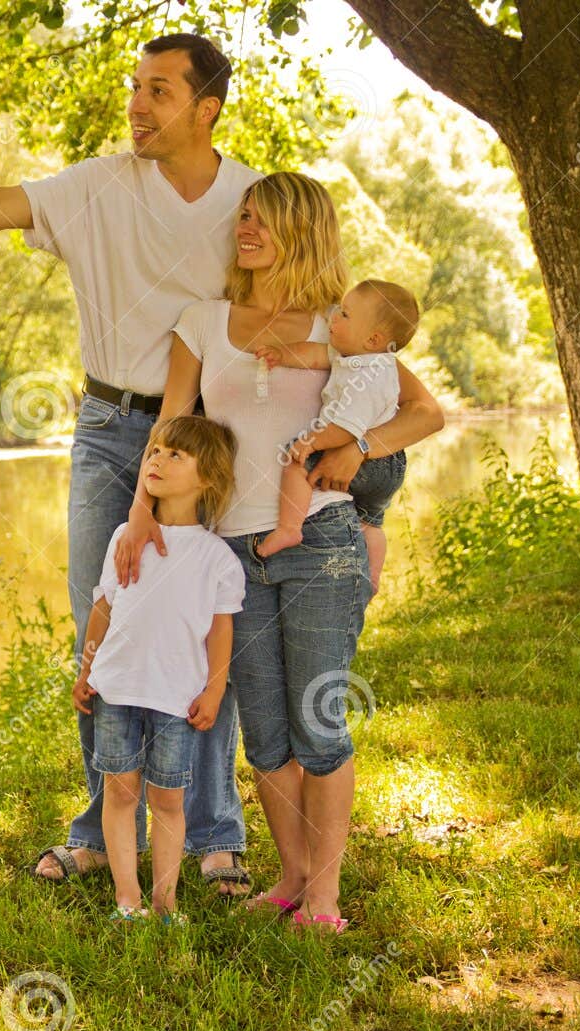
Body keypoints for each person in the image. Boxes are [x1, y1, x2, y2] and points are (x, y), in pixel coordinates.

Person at [0, 33, 442, 895]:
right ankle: (102, 820)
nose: (137, 105)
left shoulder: (249, 202)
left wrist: (366, 486)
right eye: (134, 87)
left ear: (205, 107)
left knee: (209, 620)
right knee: (105, 619)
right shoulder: (97, 186)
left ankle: (216, 836)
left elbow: (356, 357)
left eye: (157, 90)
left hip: (216, 441)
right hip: (116, 426)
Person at [117, 172, 444, 932]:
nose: (246, 229)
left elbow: (425, 411)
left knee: (317, 722)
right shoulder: (201, 321)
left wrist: (362, 448)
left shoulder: (344, 327)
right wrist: (141, 520)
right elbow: (170, 433)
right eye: (243, 217)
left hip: (320, 543)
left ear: (302, 228)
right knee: (263, 731)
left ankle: (324, 897)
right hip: (230, 553)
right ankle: (293, 876)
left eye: (261, 219)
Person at [71, 416, 244, 923]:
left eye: (175, 456)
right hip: (116, 689)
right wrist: (87, 670)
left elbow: (220, 633)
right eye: (155, 452)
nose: (157, 461)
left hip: (174, 698)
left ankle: (165, 902)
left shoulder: (217, 558)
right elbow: (104, 606)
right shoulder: (126, 536)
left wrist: (213, 691)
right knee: (120, 793)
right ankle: (127, 898)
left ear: (207, 478)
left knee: (169, 801)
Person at [254, 278, 421, 594]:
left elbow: (347, 427)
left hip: (370, 459)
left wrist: (311, 442)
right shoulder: (354, 356)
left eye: (344, 315)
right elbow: (316, 355)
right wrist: (282, 354)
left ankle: (289, 528)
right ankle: (371, 576)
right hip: (388, 462)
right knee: (369, 521)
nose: (333, 317)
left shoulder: (370, 375)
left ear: (373, 338)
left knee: (296, 460)